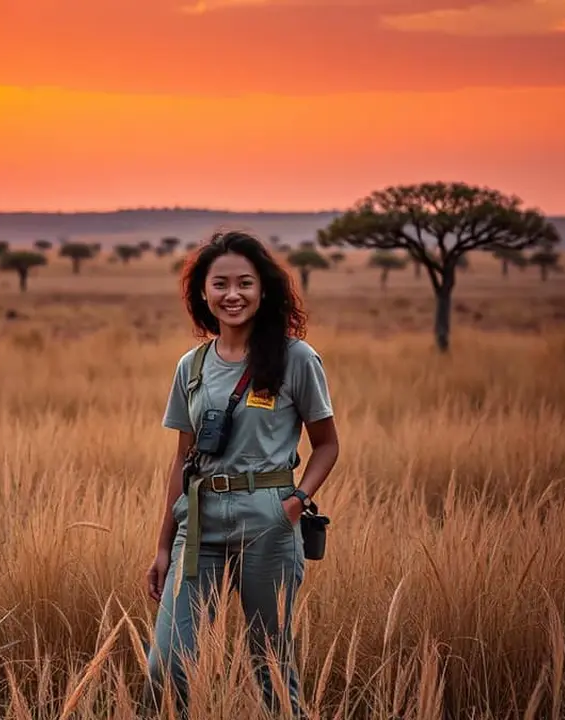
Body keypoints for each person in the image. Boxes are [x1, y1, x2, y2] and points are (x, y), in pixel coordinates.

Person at [144, 230, 340, 718]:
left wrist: (296, 502)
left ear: (263, 290)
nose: (233, 295)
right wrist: (164, 545)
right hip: (200, 525)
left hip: (268, 522)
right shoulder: (191, 366)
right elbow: (181, 460)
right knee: (166, 665)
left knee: (270, 667)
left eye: (245, 283)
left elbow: (327, 445)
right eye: (221, 284)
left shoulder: (296, 358)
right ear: (202, 294)